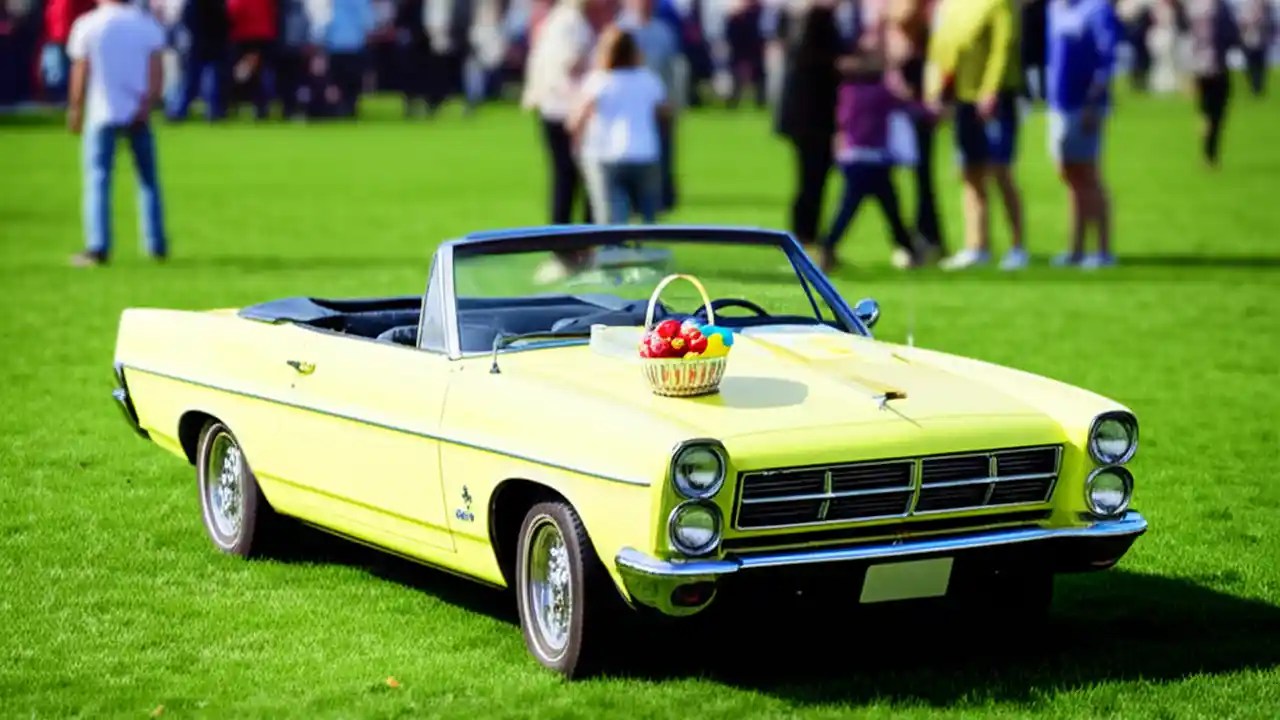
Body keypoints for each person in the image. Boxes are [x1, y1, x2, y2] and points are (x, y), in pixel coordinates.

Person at [926, 0, 1028, 270]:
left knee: (1000, 170)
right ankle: (977, 245)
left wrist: (991, 88)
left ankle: (1018, 245)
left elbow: (1003, 46)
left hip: (993, 98)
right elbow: (942, 47)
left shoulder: (998, 3)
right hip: (962, 97)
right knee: (970, 172)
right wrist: (936, 91)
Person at [66, 0, 169, 266]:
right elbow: (157, 70)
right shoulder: (145, 24)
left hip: (102, 111)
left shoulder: (88, 24)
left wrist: (75, 109)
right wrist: (149, 103)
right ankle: (156, 244)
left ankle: (98, 246)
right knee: (148, 180)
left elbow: (80, 70)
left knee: (98, 179)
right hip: (138, 110)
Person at [821, 53, 930, 273]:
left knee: (848, 209)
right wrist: (934, 112)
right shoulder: (881, 93)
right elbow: (910, 107)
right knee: (891, 211)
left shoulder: (847, 92)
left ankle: (827, 250)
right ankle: (909, 249)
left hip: (851, 159)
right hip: (876, 160)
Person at [1046, 0, 1120, 268]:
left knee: (1088, 174)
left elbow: (1107, 57)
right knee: (1069, 175)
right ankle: (1075, 248)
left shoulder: (1096, 9)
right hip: (1059, 104)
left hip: (1084, 105)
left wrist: (1094, 101)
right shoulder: (1056, 8)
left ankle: (1102, 250)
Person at [571, 26, 669, 225]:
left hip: (604, 154)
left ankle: (612, 249)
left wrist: (577, 145)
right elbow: (665, 112)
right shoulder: (648, 79)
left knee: (608, 214)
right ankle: (645, 247)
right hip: (644, 152)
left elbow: (576, 119)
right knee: (647, 213)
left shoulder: (599, 80)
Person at [776, 0, 842, 249]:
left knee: (809, 177)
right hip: (814, 117)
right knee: (812, 178)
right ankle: (805, 237)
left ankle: (805, 236)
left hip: (802, 116)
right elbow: (826, 63)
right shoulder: (819, 18)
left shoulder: (801, 18)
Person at [522, 0, 595, 225]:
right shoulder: (571, 21)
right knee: (577, 176)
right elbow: (571, 63)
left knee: (567, 176)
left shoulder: (557, 20)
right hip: (565, 108)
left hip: (554, 105)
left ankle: (565, 238)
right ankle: (575, 238)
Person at [884, 0, 944, 258]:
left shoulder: (921, 42)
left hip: (915, 114)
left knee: (920, 178)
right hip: (903, 114)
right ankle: (921, 239)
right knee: (916, 179)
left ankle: (922, 239)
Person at [617, 0, 681, 213]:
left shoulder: (663, 32)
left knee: (658, 156)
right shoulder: (621, 30)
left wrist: (672, 103)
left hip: (657, 105)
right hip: (629, 107)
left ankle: (655, 201)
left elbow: (670, 71)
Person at [1187, 0, 1241, 168]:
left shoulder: (1193, 8)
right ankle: (1210, 155)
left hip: (1198, 67)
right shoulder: (1219, 9)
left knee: (1208, 110)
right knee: (1218, 113)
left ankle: (1205, 123)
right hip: (1216, 67)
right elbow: (1232, 36)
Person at [165, 0, 231, 120]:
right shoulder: (219, 5)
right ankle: (213, 111)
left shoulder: (193, 4)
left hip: (197, 44)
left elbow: (186, 19)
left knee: (190, 81)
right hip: (214, 45)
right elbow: (225, 21)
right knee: (211, 81)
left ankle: (178, 110)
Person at [313, 0, 375, 117]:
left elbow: (324, 21)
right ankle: (350, 109)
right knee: (352, 83)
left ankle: (338, 109)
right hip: (354, 46)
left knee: (337, 82)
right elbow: (368, 22)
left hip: (335, 46)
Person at [40, 0, 97, 102]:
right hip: (54, 33)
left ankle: (69, 97)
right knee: (56, 73)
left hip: (70, 33)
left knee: (70, 71)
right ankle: (57, 97)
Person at [1239, 0, 1275, 97]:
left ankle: (1258, 87)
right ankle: (1254, 86)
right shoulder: (1245, 8)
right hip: (1248, 41)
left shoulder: (1266, 8)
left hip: (1261, 41)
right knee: (1250, 66)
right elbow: (1241, 25)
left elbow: (1270, 24)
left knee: (1260, 66)